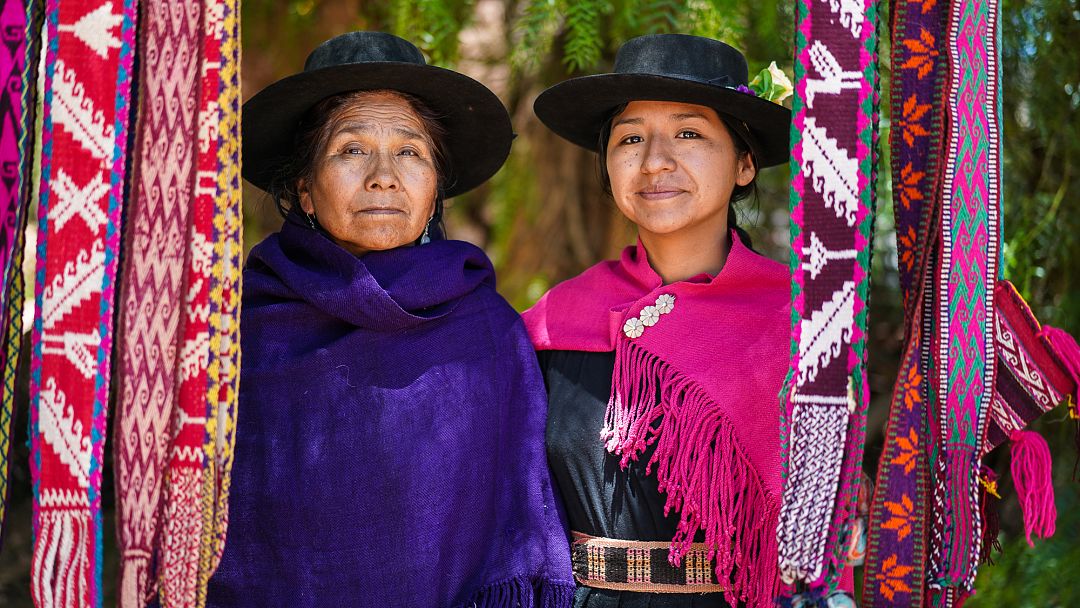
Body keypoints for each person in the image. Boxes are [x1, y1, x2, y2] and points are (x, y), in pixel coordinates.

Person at [208, 31, 573, 607]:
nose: (384, 175)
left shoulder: (489, 333)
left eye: (409, 152)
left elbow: (514, 527)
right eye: (352, 149)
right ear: (305, 189)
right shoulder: (236, 332)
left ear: (434, 190)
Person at [523, 34, 795, 608]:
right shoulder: (554, 321)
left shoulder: (797, 324)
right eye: (630, 139)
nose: (654, 162)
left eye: (689, 134)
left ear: (744, 163)